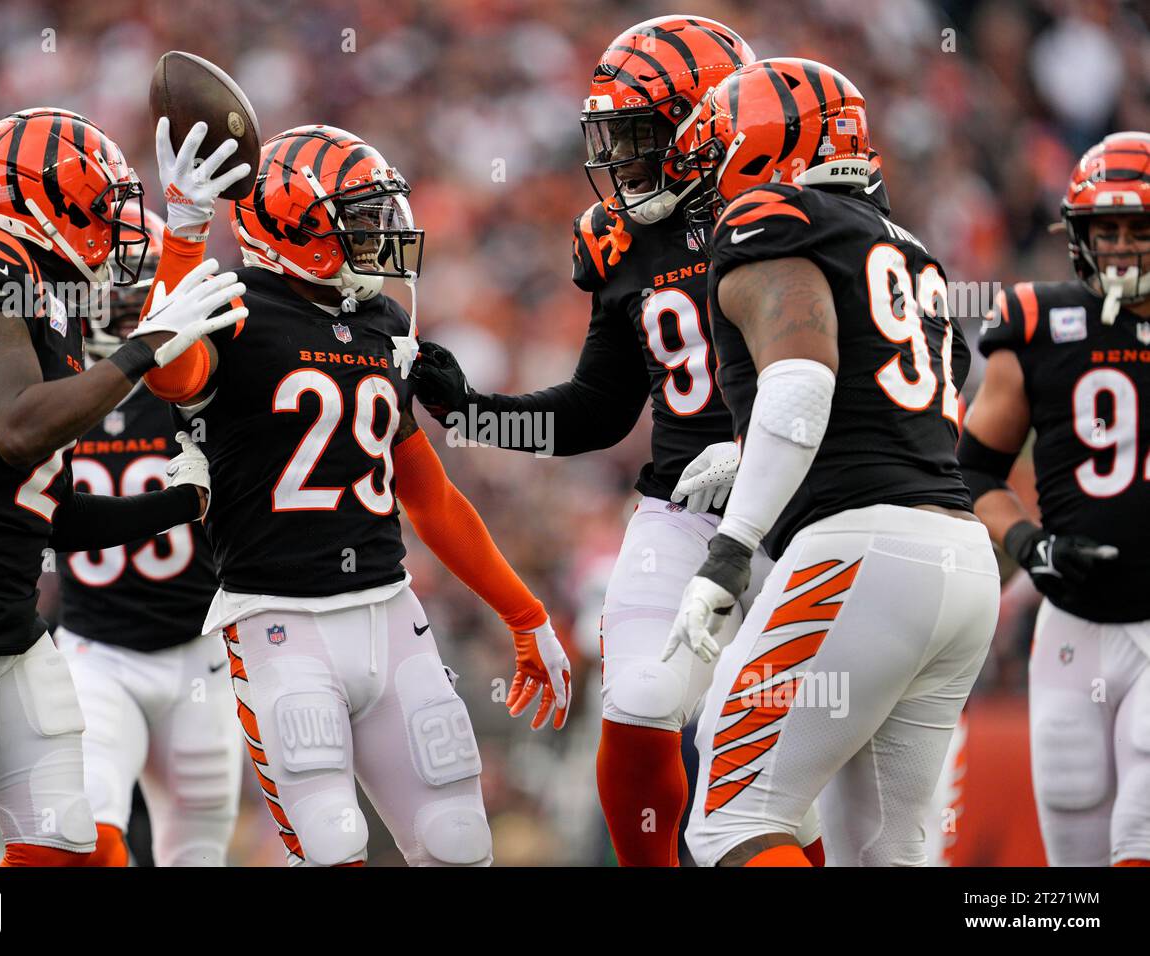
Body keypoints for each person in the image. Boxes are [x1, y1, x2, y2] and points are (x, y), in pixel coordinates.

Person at [409, 14, 827, 867]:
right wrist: (470, 413)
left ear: (709, 121)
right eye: (613, 138)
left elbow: (903, 355)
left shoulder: (797, 206)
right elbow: (599, 411)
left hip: (809, 507)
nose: (622, 161)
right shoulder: (620, 238)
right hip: (682, 510)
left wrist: (759, 453)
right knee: (637, 701)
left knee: (792, 777)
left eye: (640, 136)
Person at [145, 124, 571, 866]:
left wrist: (524, 613)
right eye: (360, 216)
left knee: (459, 841)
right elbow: (167, 372)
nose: (380, 232)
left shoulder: (380, 321)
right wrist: (183, 235)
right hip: (280, 620)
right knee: (331, 843)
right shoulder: (232, 301)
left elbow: (428, 496)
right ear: (296, 223)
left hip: (389, 611)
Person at [0, 107, 248, 866]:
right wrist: (144, 345)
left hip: (4, 613)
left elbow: (45, 514)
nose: (118, 226)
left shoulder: (46, 296)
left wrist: (181, 502)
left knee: (68, 843)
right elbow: (19, 428)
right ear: (40, 201)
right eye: (103, 207)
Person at [668, 58, 999, 866]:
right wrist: (748, 449)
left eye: (716, 155)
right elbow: (919, 400)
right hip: (958, 559)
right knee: (886, 851)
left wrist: (728, 552)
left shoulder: (774, 217)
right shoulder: (911, 249)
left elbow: (802, 386)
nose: (709, 181)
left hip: (861, 556)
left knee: (730, 820)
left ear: (762, 148)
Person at [957, 131, 1150, 867]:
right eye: (1110, 230)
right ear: (1080, 235)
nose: (1125, 247)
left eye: (1140, 230)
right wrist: (1028, 544)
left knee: (1140, 833)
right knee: (1074, 844)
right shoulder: (1039, 324)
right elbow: (974, 472)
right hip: (1072, 619)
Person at [54, 202, 240, 867]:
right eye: (118, 298)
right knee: (87, 831)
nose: (132, 313)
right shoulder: (53, 389)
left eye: (143, 298)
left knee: (197, 851)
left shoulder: (197, 384)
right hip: (95, 654)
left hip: (202, 653)